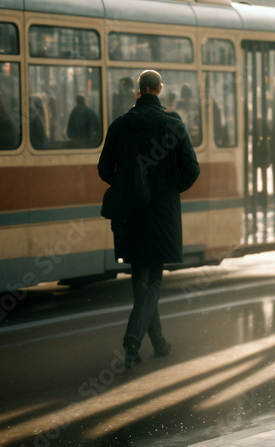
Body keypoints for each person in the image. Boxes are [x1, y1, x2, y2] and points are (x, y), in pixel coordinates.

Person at [98, 70, 200, 369]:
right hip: (162, 211)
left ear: (138, 91)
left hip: (130, 213)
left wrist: (129, 185)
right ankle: (132, 340)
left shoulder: (119, 126)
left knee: (139, 275)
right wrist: (168, 188)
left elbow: (105, 170)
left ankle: (158, 342)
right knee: (153, 278)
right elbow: (192, 170)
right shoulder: (173, 125)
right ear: (159, 90)